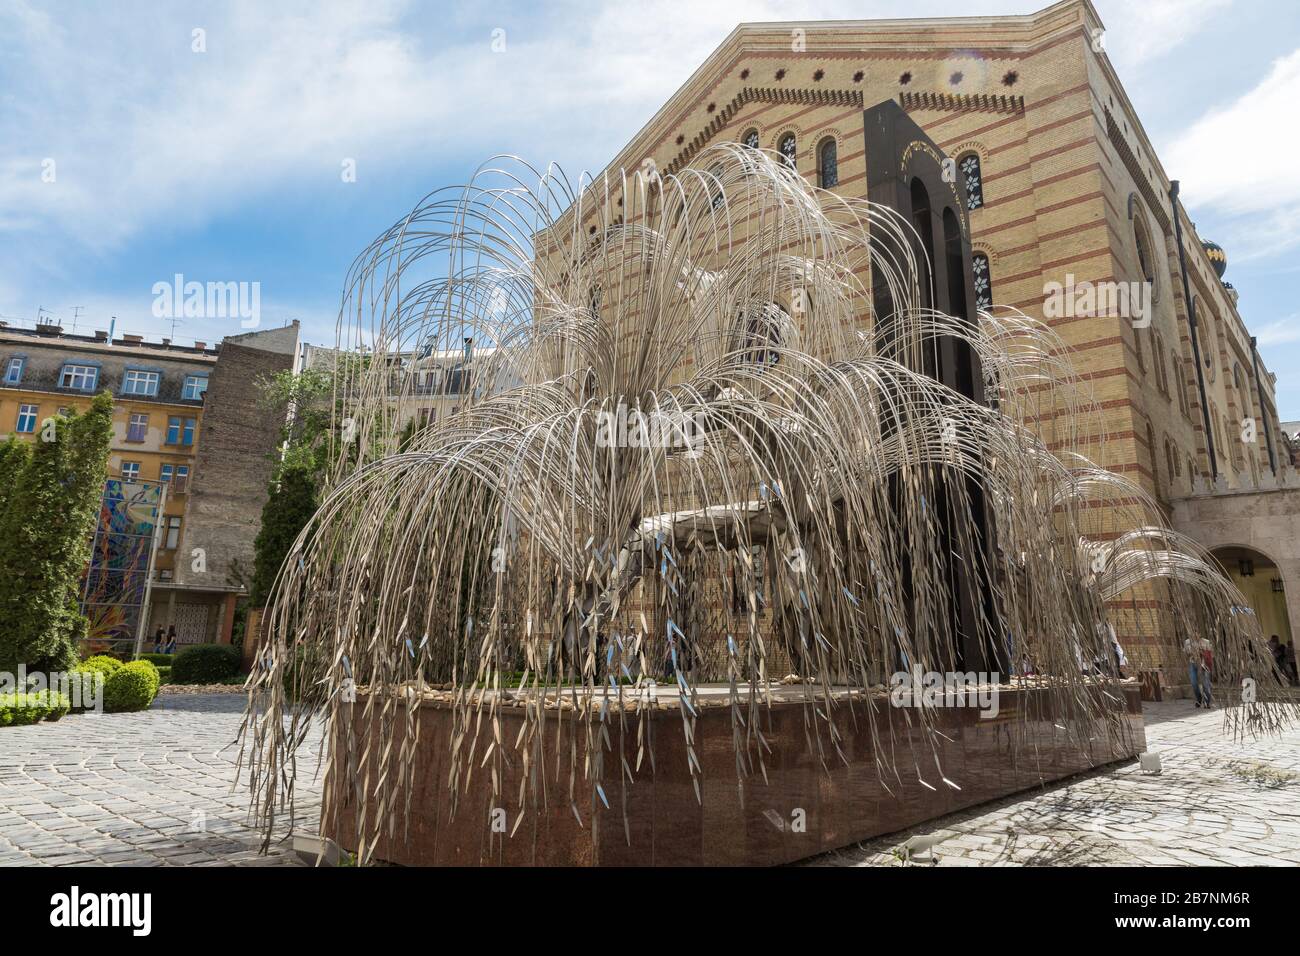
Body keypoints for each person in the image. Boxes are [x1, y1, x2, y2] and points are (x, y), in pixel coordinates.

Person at [1183, 635, 1212, 708]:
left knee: (1206, 684)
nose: (1196, 634)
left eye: (1197, 632)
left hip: (1204, 664)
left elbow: (1210, 654)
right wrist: (1191, 651)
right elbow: (1185, 653)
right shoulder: (1187, 642)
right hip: (1193, 663)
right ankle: (1199, 699)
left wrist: (1202, 651)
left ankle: (1207, 702)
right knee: (1194, 682)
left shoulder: (1206, 642)